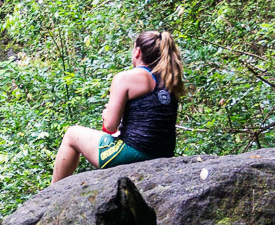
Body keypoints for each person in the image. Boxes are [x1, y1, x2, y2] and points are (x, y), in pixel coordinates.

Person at [51, 30, 184, 183]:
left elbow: (110, 126)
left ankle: (52, 192)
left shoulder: (126, 78)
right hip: (163, 155)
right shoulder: (170, 80)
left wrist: (107, 114)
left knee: (72, 134)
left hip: (134, 154)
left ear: (137, 52)